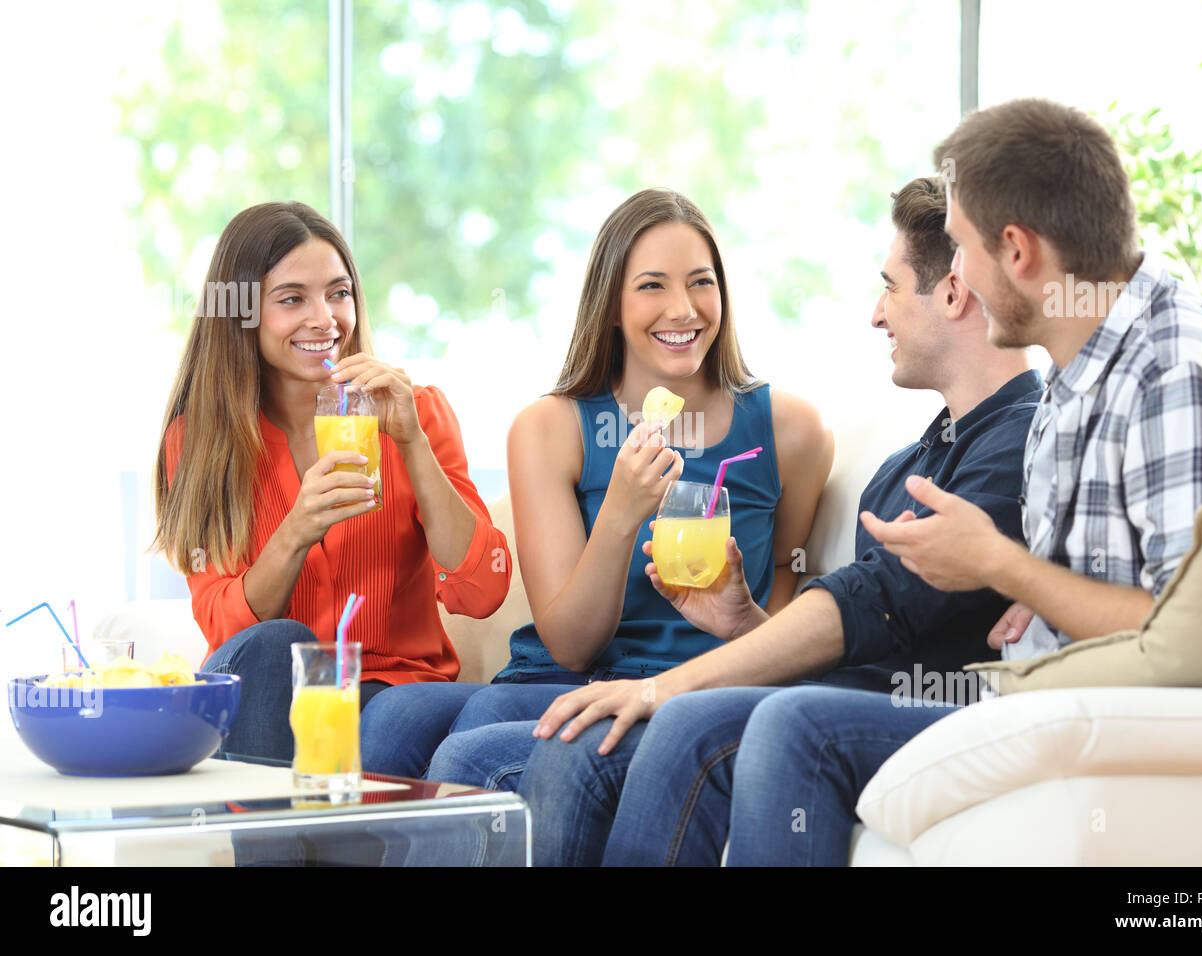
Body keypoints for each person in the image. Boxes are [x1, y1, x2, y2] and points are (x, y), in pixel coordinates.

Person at [637, 97, 1202, 866]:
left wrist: (1002, 565)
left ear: (1015, 251)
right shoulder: (1076, 379)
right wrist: (1044, 586)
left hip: (1092, 717)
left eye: (961, 247)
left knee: (792, 729)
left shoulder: (1177, 370)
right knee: (710, 721)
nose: (960, 280)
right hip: (1030, 698)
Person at [429, 175, 1044, 866]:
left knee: (615, 739)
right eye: (652, 286)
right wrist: (742, 620)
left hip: (903, 708)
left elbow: (877, 603)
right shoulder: (913, 459)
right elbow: (850, 621)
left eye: (891, 287)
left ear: (955, 294)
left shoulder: (1021, 441)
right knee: (469, 741)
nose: (876, 314)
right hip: (818, 691)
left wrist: (663, 684)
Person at [362, 188, 833, 780]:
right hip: (565, 675)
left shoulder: (792, 433)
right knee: (393, 718)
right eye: (652, 285)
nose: (684, 308)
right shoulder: (551, 428)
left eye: (701, 282)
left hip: (694, 690)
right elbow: (570, 647)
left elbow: (781, 609)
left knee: (471, 749)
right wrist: (620, 511)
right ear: (611, 306)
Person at [153, 201, 510, 763]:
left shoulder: (414, 414)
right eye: (292, 298)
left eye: (339, 293)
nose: (326, 319)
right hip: (265, 694)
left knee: (390, 721)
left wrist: (413, 443)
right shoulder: (199, 441)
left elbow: (482, 589)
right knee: (272, 646)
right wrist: (295, 533)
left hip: (391, 690)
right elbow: (224, 627)